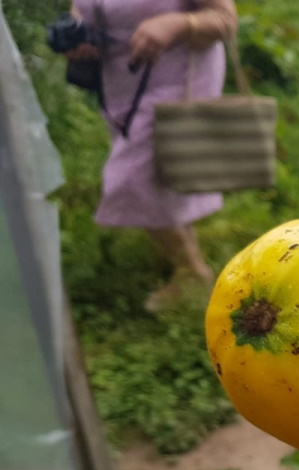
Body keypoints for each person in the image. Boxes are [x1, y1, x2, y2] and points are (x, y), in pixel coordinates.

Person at [61, 0, 238, 312]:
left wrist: (179, 24)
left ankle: (192, 272)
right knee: (163, 175)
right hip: (123, 86)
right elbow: (82, 8)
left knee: (132, 180)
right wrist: (78, 34)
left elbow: (225, 20)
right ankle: (185, 262)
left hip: (181, 81)